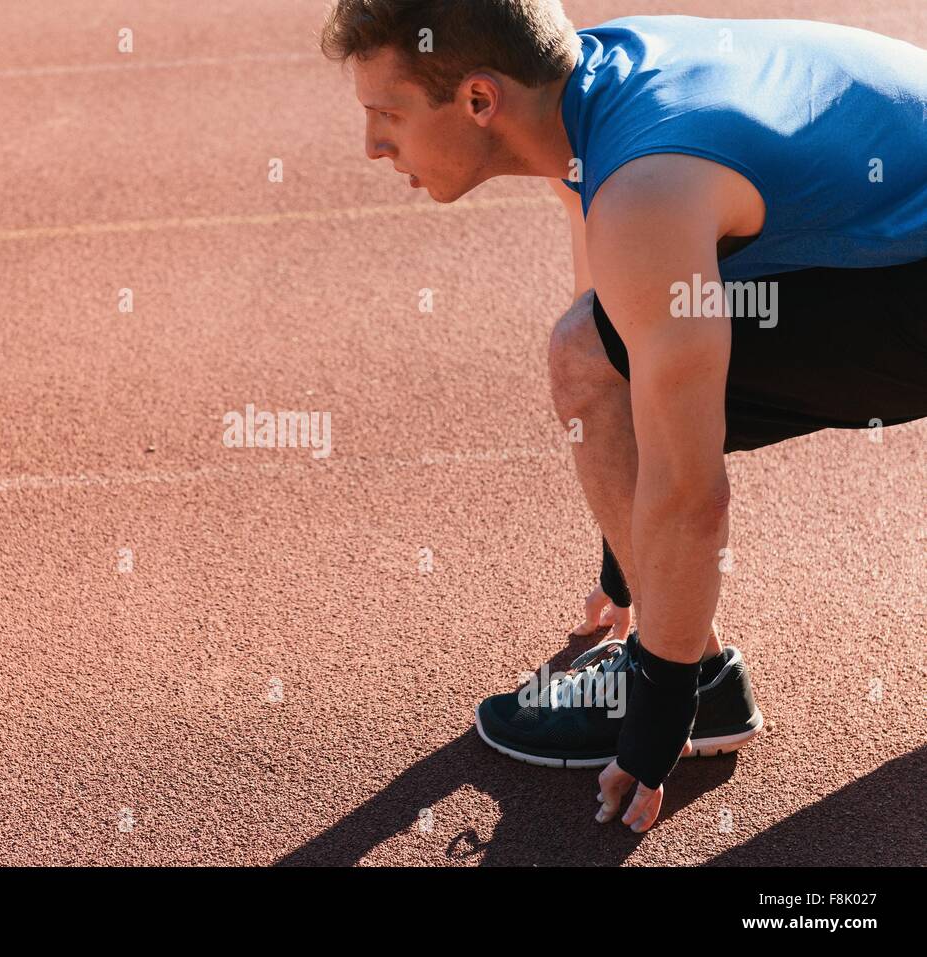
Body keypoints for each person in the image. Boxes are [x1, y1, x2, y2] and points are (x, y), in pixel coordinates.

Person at [319, 0, 927, 832]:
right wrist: (628, 564)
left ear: (478, 99)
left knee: (587, 359)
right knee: (594, 352)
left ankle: (703, 686)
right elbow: (621, 353)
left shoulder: (641, 186)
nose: (372, 146)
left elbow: (689, 489)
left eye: (387, 115)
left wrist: (657, 722)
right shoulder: (591, 91)